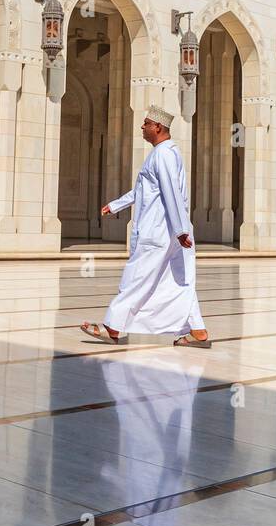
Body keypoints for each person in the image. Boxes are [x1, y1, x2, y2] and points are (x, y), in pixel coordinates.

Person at [81, 105, 210, 348]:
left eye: (146, 124)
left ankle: (113, 327)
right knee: (178, 280)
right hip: (170, 231)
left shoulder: (164, 154)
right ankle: (196, 331)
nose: (142, 127)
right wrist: (116, 205)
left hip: (160, 231)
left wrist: (181, 229)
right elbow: (143, 190)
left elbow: (171, 192)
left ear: (158, 127)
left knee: (137, 278)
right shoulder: (163, 154)